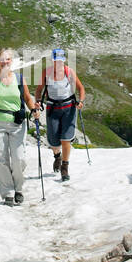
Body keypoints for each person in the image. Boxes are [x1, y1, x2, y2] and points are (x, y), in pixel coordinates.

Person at [0, 47, 40, 206]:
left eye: (8, 59)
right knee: (1, 158)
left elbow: (27, 98)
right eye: (2, 59)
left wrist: (34, 110)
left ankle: (19, 188)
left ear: (12, 61)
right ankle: (8, 193)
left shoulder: (19, 79)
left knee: (19, 158)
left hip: (17, 124)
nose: (5, 62)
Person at [35, 47, 85, 181]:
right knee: (53, 141)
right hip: (52, 108)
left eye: (61, 61)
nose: (59, 63)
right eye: (56, 60)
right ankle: (57, 156)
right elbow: (39, 89)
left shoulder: (69, 72)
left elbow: (80, 88)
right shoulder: (46, 73)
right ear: (53, 60)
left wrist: (80, 101)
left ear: (64, 60)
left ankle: (65, 167)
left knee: (65, 139)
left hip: (69, 108)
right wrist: (38, 101)